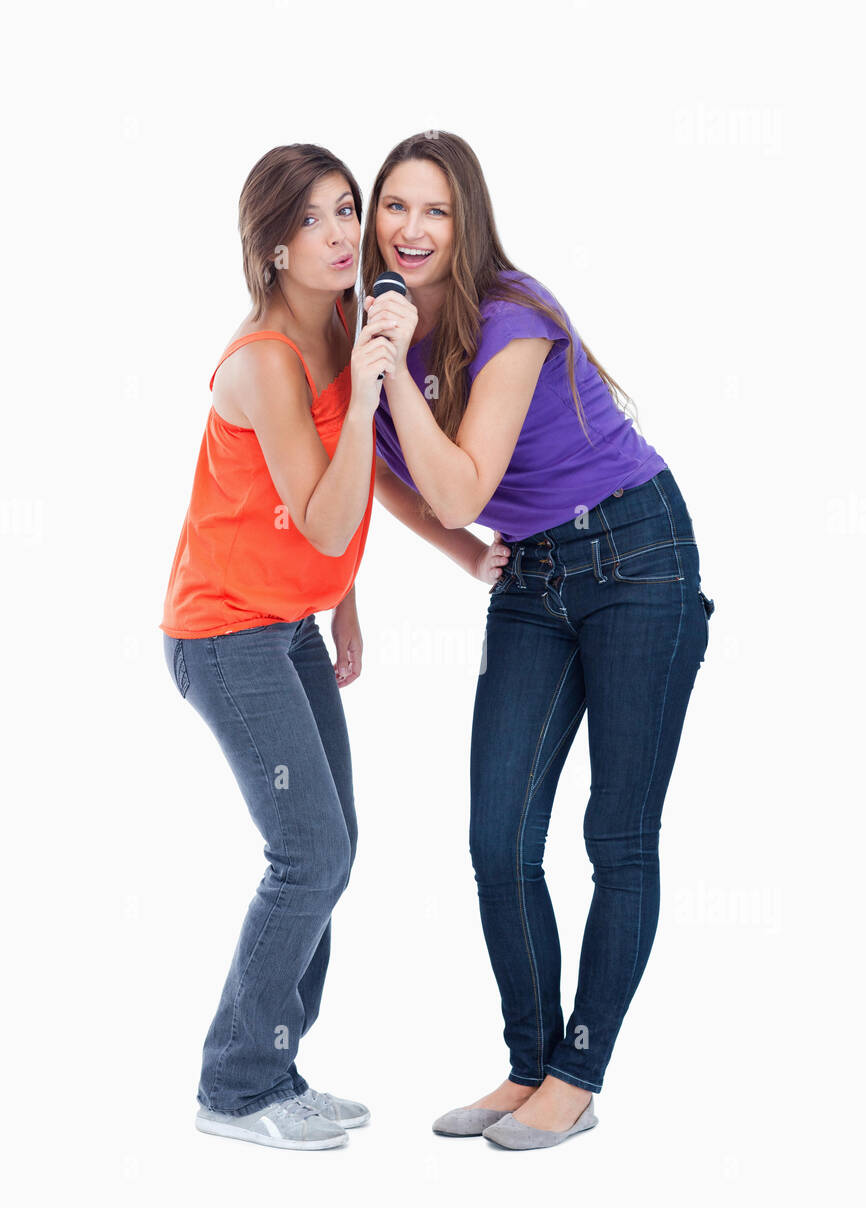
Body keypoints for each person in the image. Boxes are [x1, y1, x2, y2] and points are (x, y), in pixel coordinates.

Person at [365, 131, 716, 1150]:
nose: (412, 229)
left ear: (465, 219)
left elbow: (461, 481)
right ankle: (526, 1065)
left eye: (434, 209)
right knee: (496, 838)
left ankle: (578, 1072)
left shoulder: (511, 315)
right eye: (394, 206)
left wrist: (388, 369)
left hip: (636, 554)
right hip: (531, 569)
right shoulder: (374, 335)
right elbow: (390, 477)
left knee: (615, 836)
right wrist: (459, 556)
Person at [159, 144, 400, 1151]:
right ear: (271, 245)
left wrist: (341, 601)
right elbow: (317, 508)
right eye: (314, 220)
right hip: (223, 634)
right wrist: (374, 385)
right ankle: (236, 1085)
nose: (343, 234)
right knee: (310, 854)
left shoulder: (342, 323)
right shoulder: (264, 361)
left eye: (347, 209)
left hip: (287, 624)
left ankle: (276, 1065)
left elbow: (338, 514)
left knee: (331, 850)